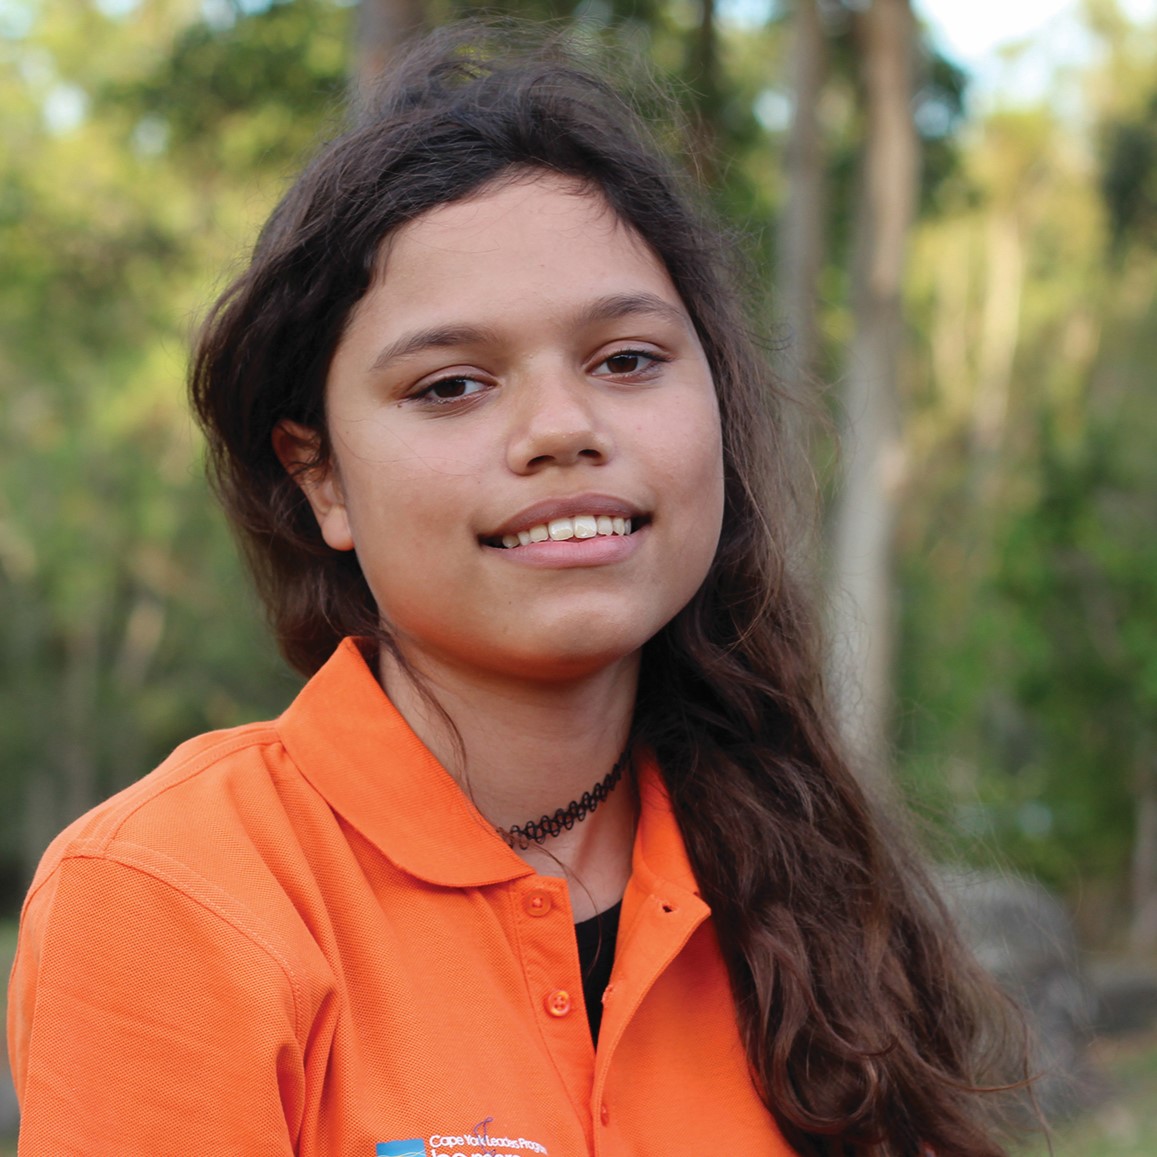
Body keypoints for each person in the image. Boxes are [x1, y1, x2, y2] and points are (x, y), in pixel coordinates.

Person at [7, 23, 1018, 1157]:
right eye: (451, 385)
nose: (562, 428)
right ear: (320, 476)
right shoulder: (177, 891)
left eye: (625, 360)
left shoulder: (804, 873)